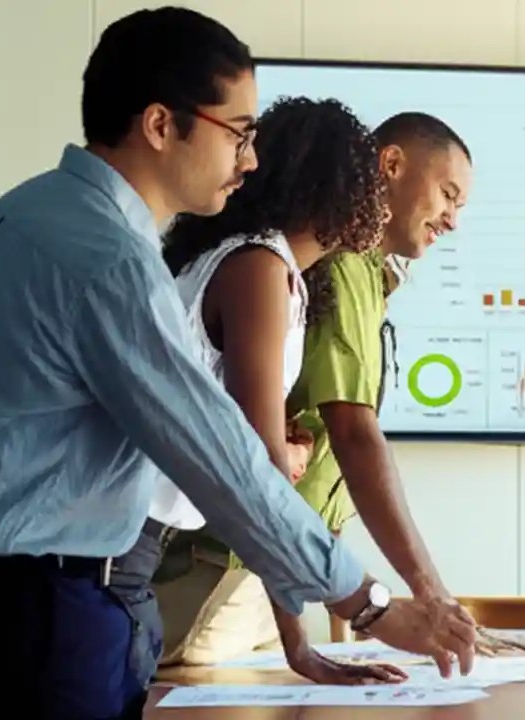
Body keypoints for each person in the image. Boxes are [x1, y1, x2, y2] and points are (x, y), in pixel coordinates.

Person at [0, 9, 473, 719]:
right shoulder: (106, 258)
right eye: (240, 134)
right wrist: (368, 603)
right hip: (36, 609)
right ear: (161, 125)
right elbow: (220, 454)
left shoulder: (32, 209)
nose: (251, 161)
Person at [158, 111, 525, 665]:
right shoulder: (292, 267)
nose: (453, 222)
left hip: (271, 572)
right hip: (228, 571)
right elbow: (339, 438)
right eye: (448, 195)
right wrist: (414, 601)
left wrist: (316, 634)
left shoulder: (295, 269)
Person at [115, 94, 409, 686]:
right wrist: (303, 649)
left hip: (133, 541)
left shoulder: (262, 266)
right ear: (337, 188)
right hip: (126, 546)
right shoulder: (259, 269)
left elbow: (256, 453)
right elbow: (264, 472)